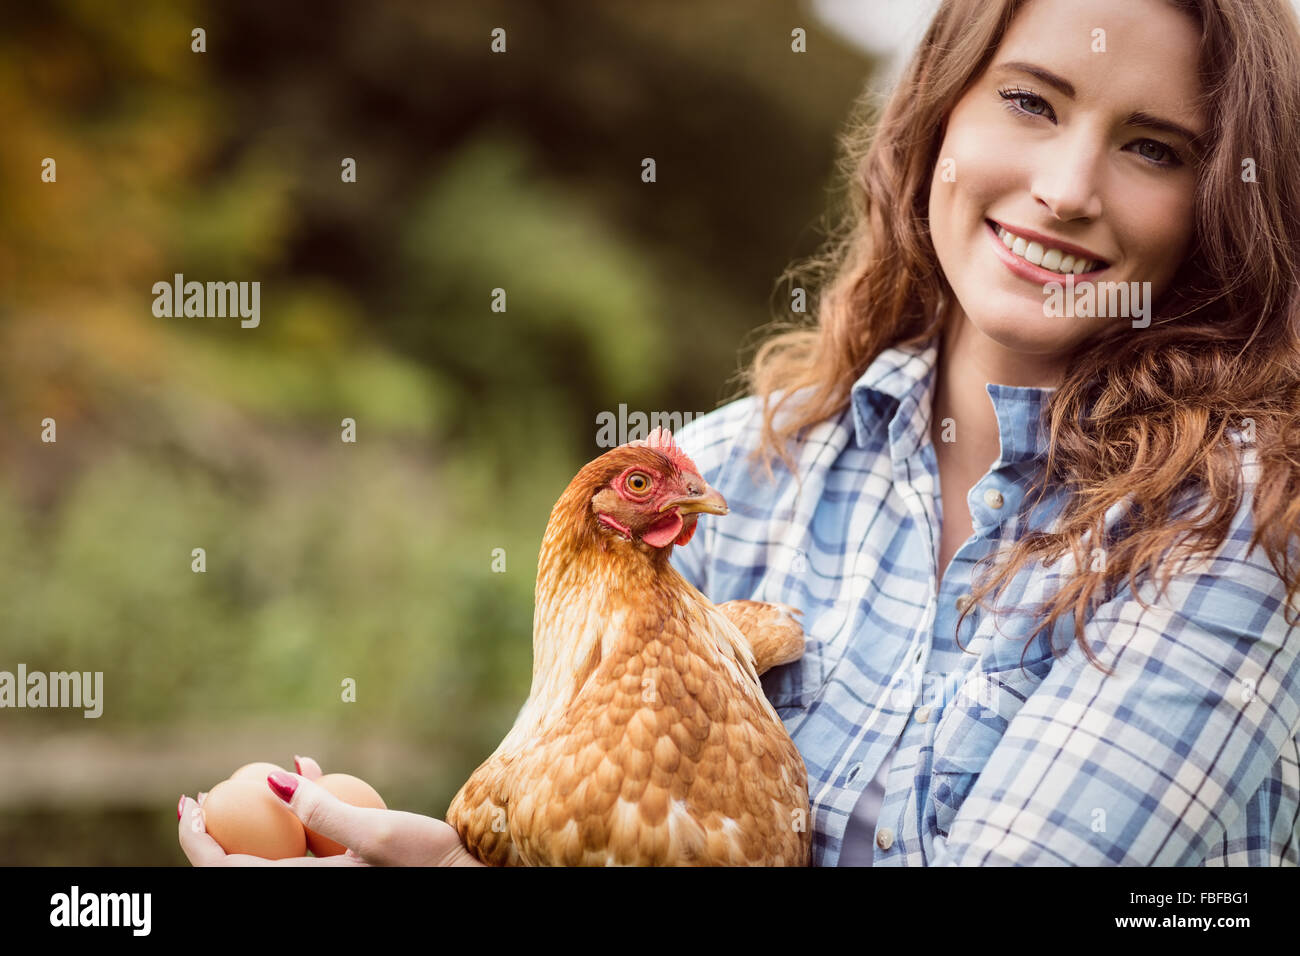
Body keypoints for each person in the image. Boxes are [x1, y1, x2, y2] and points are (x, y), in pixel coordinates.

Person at [181, 0, 1300, 866]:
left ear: (1222, 205)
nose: (1062, 187)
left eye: (1153, 148)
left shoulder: (1241, 523)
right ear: (939, 115)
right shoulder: (725, 476)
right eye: (1030, 102)